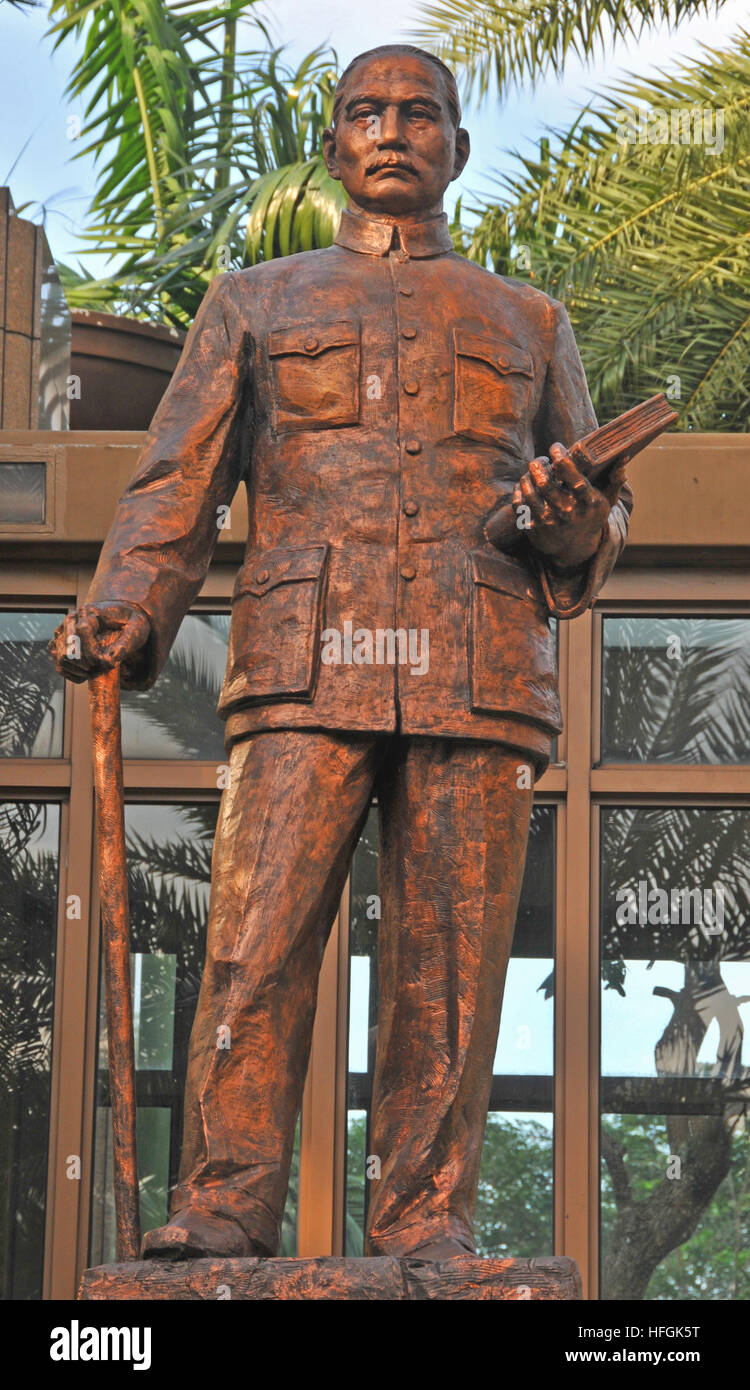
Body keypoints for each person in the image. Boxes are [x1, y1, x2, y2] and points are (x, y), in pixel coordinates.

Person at [50, 44, 631, 1262]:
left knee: (453, 971)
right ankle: (223, 1204)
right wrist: (125, 607)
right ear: (332, 147)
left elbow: (598, 524)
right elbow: (176, 489)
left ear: (457, 151)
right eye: (364, 111)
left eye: (420, 113)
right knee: (256, 946)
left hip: (478, 669)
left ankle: (428, 1221)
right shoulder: (252, 304)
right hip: (304, 661)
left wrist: (577, 516)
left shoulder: (531, 320)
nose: (391, 129)